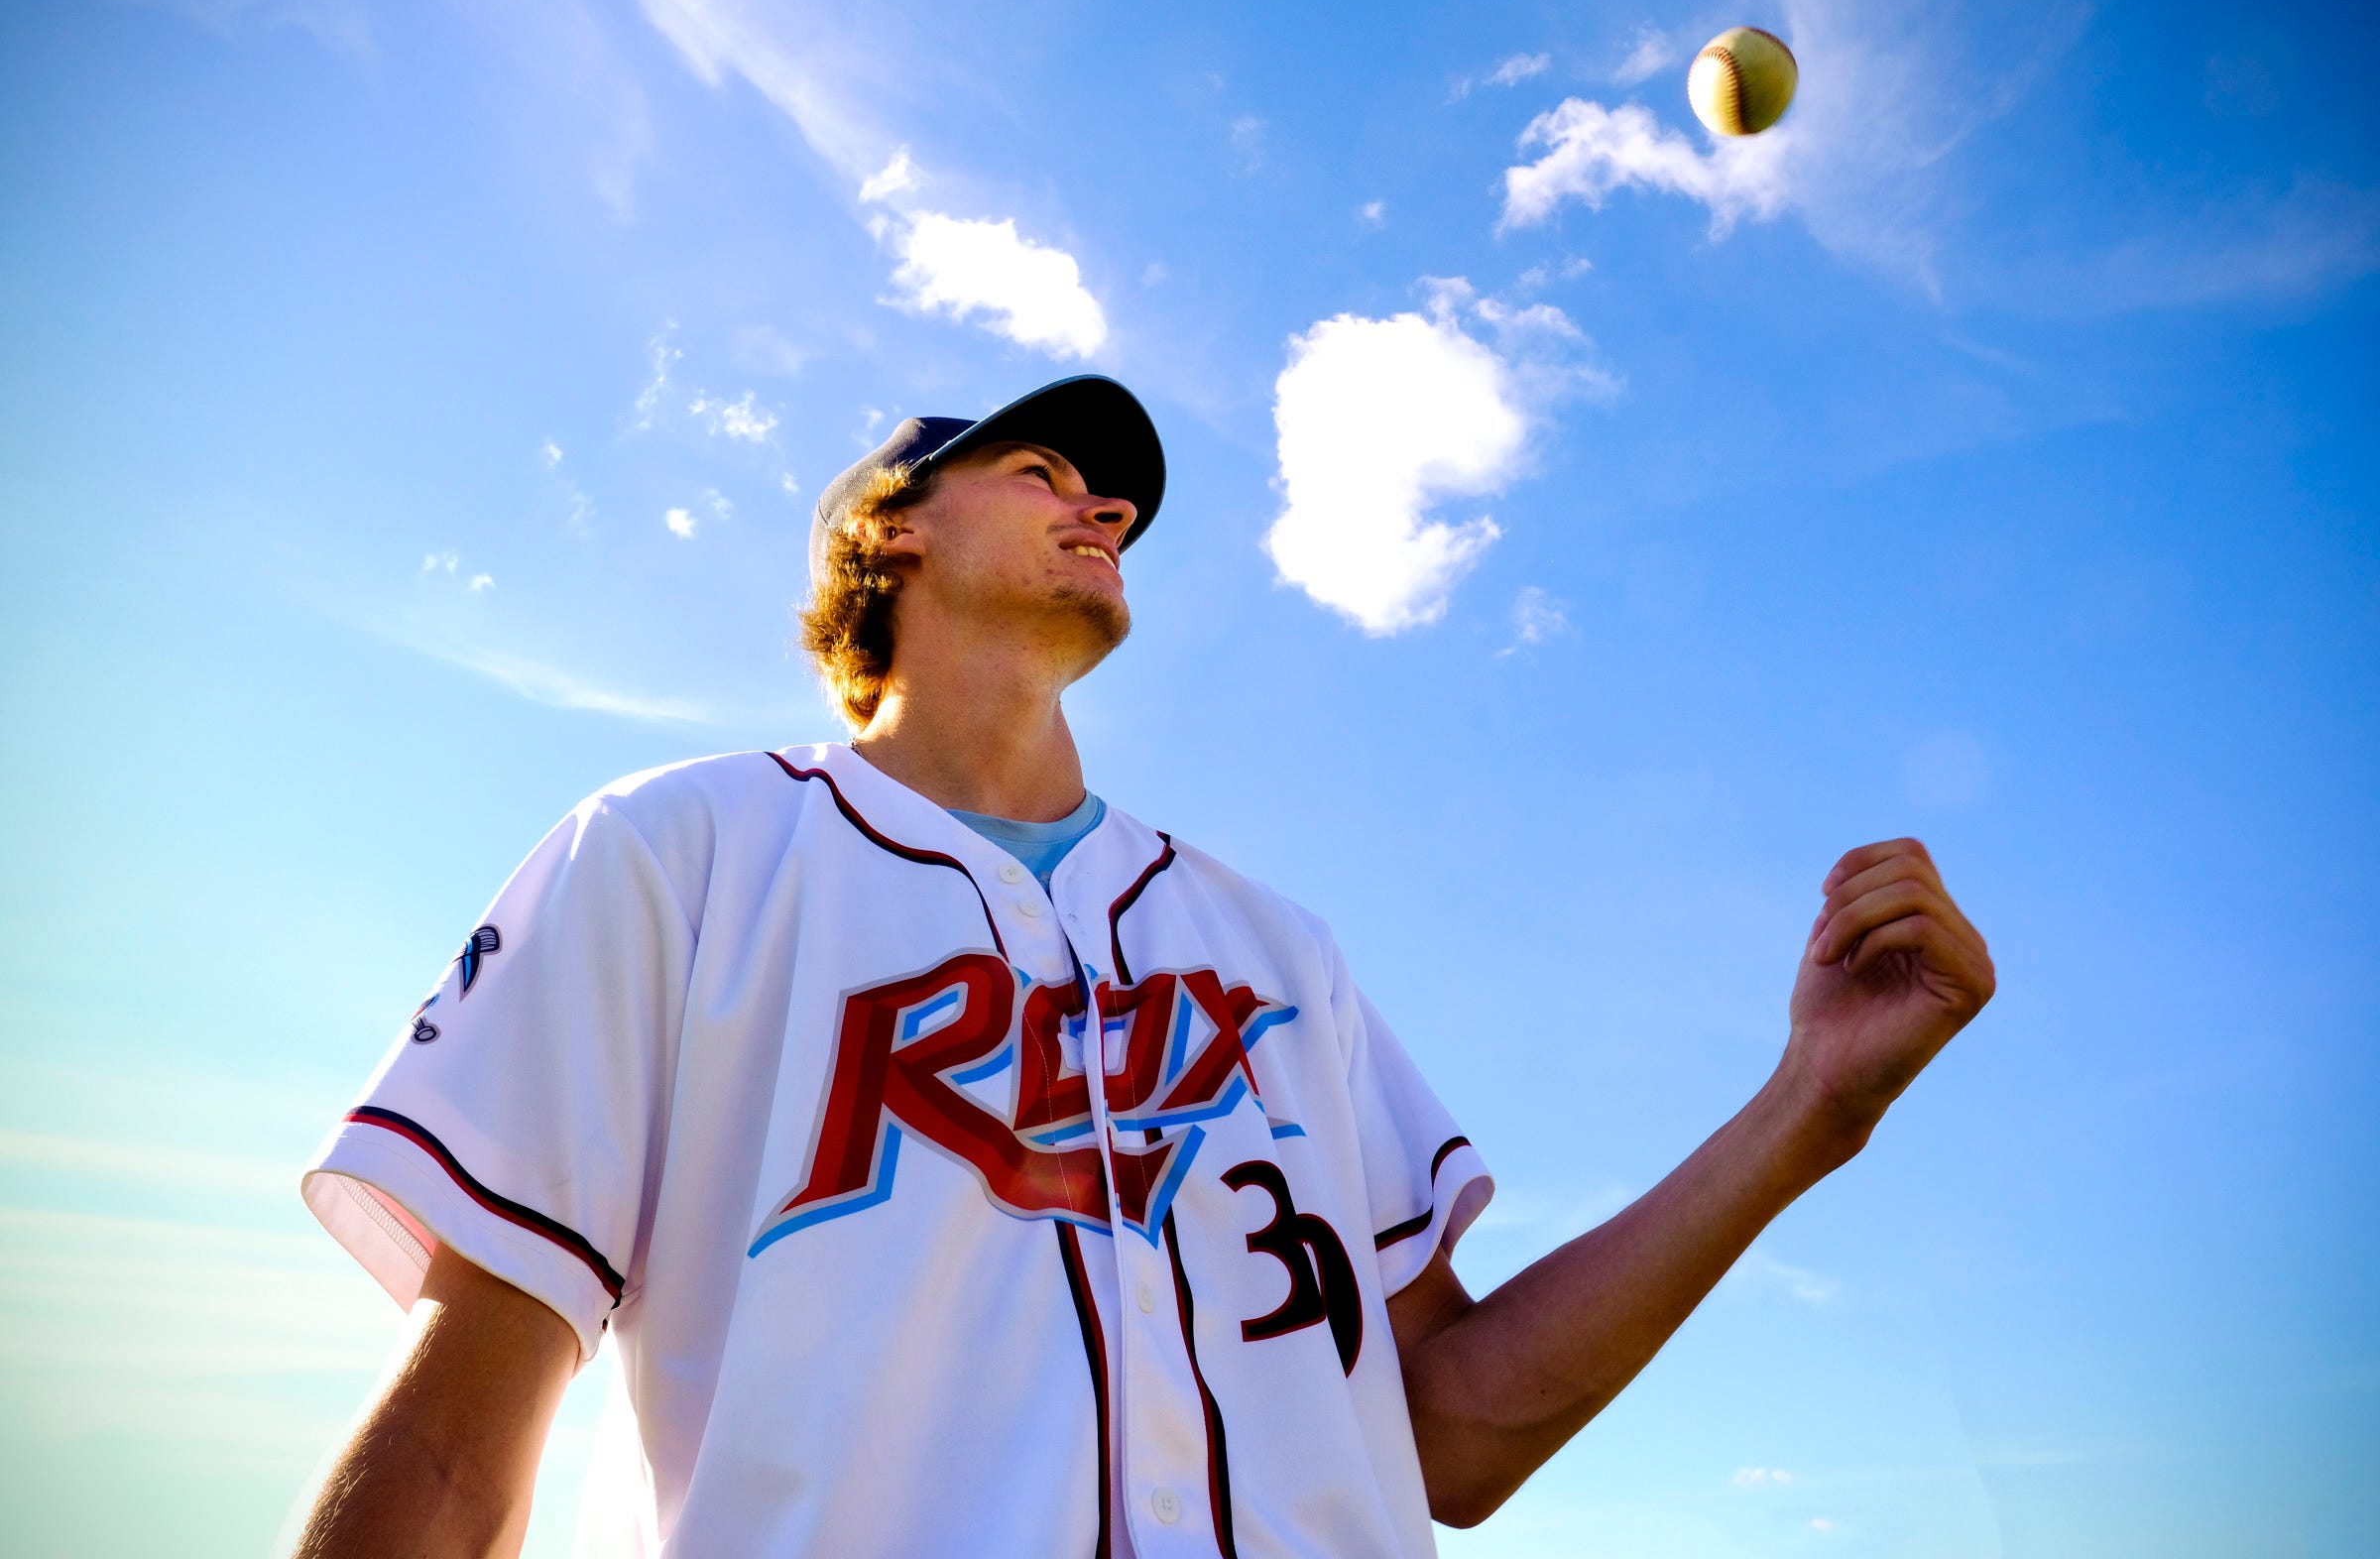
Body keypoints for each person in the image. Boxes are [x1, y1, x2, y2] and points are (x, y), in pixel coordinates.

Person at [291, 374, 1993, 1557]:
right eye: (1040, 473)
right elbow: (455, 1448)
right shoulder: (679, 856)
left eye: (1105, 493)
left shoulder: (1275, 950)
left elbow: (1451, 1434)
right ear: (890, 533)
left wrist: (1808, 1110)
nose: (1102, 504)